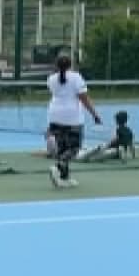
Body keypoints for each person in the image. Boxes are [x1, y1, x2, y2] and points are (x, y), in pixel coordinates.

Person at [44, 55, 102, 189]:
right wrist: (95, 115)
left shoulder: (51, 79)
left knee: (62, 147)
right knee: (75, 148)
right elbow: (84, 98)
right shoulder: (76, 77)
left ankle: (64, 177)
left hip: (54, 115)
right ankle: (58, 167)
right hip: (72, 117)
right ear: (70, 65)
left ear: (56, 66)